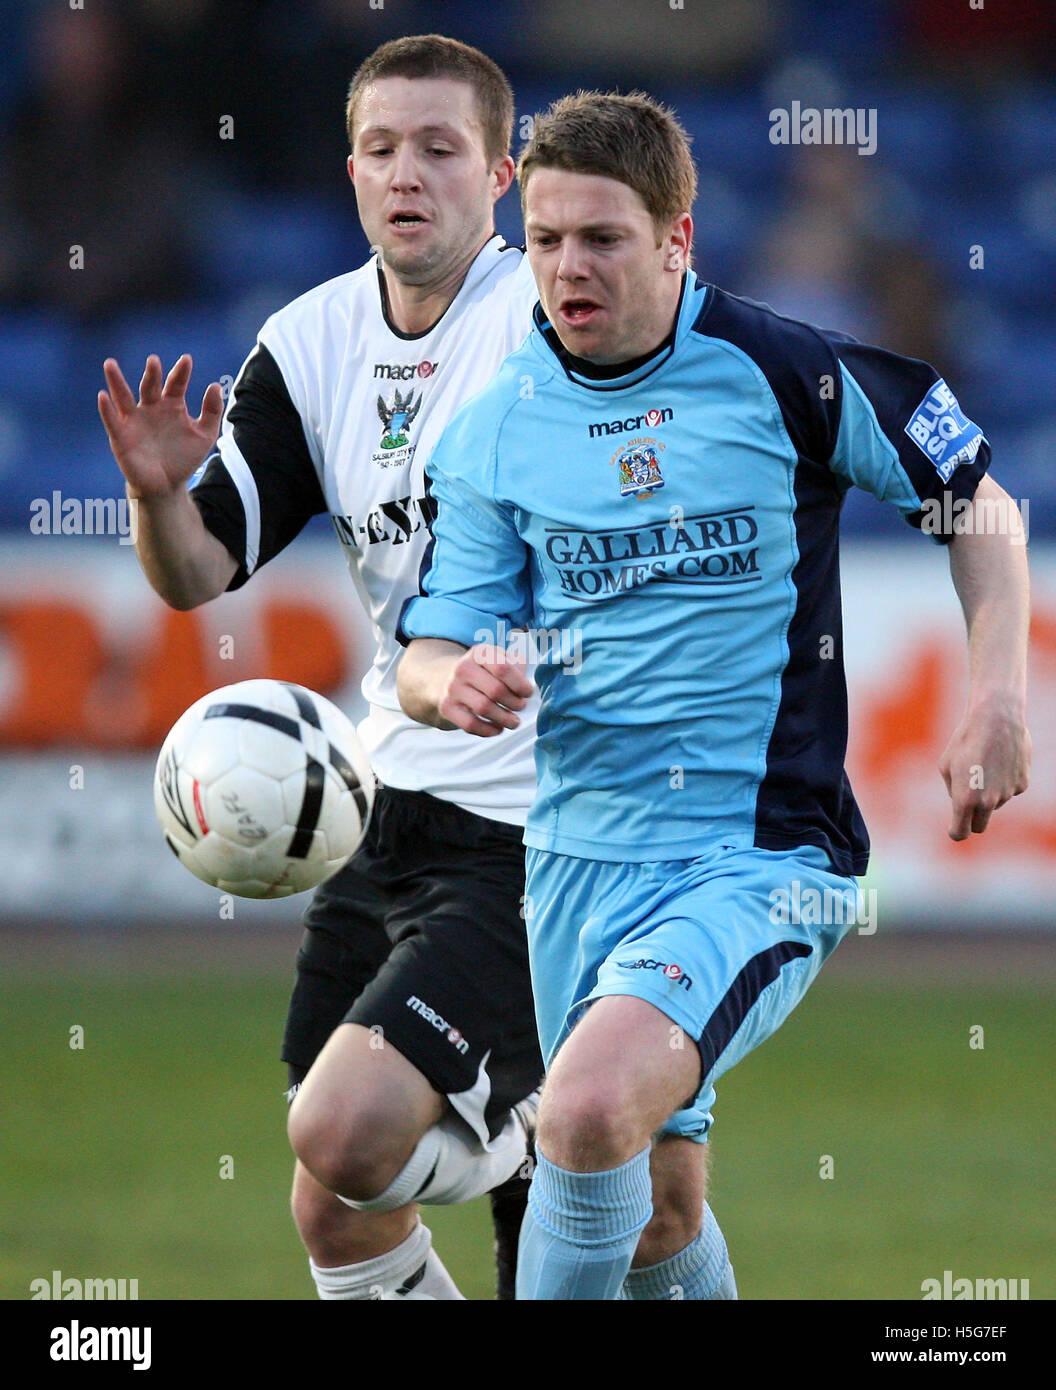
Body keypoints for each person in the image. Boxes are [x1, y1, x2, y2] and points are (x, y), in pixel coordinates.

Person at [396, 91, 1031, 1300]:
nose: (567, 268)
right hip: (576, 861)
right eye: (544, 240)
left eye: (602, 240)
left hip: (759, 852)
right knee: (656, 1214)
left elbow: (978, 500)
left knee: (581, 1115)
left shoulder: (788, 373)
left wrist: (996, 694)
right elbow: (429, 650)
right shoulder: (491, 434)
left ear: (677, 240)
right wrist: (451, 681)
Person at [98, 34, 545, 1302]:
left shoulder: (548, 324)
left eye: (442, 149)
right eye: (383, 149)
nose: (409, 174)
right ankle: (544, 1137)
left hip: (536, 824)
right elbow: (198, 570)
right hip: (383, 807)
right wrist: (153, 496)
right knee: (333, 1200)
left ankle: (550, 1125)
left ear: (501, 174)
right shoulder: (309, 342)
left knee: (350, 1136)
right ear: (351, 170)